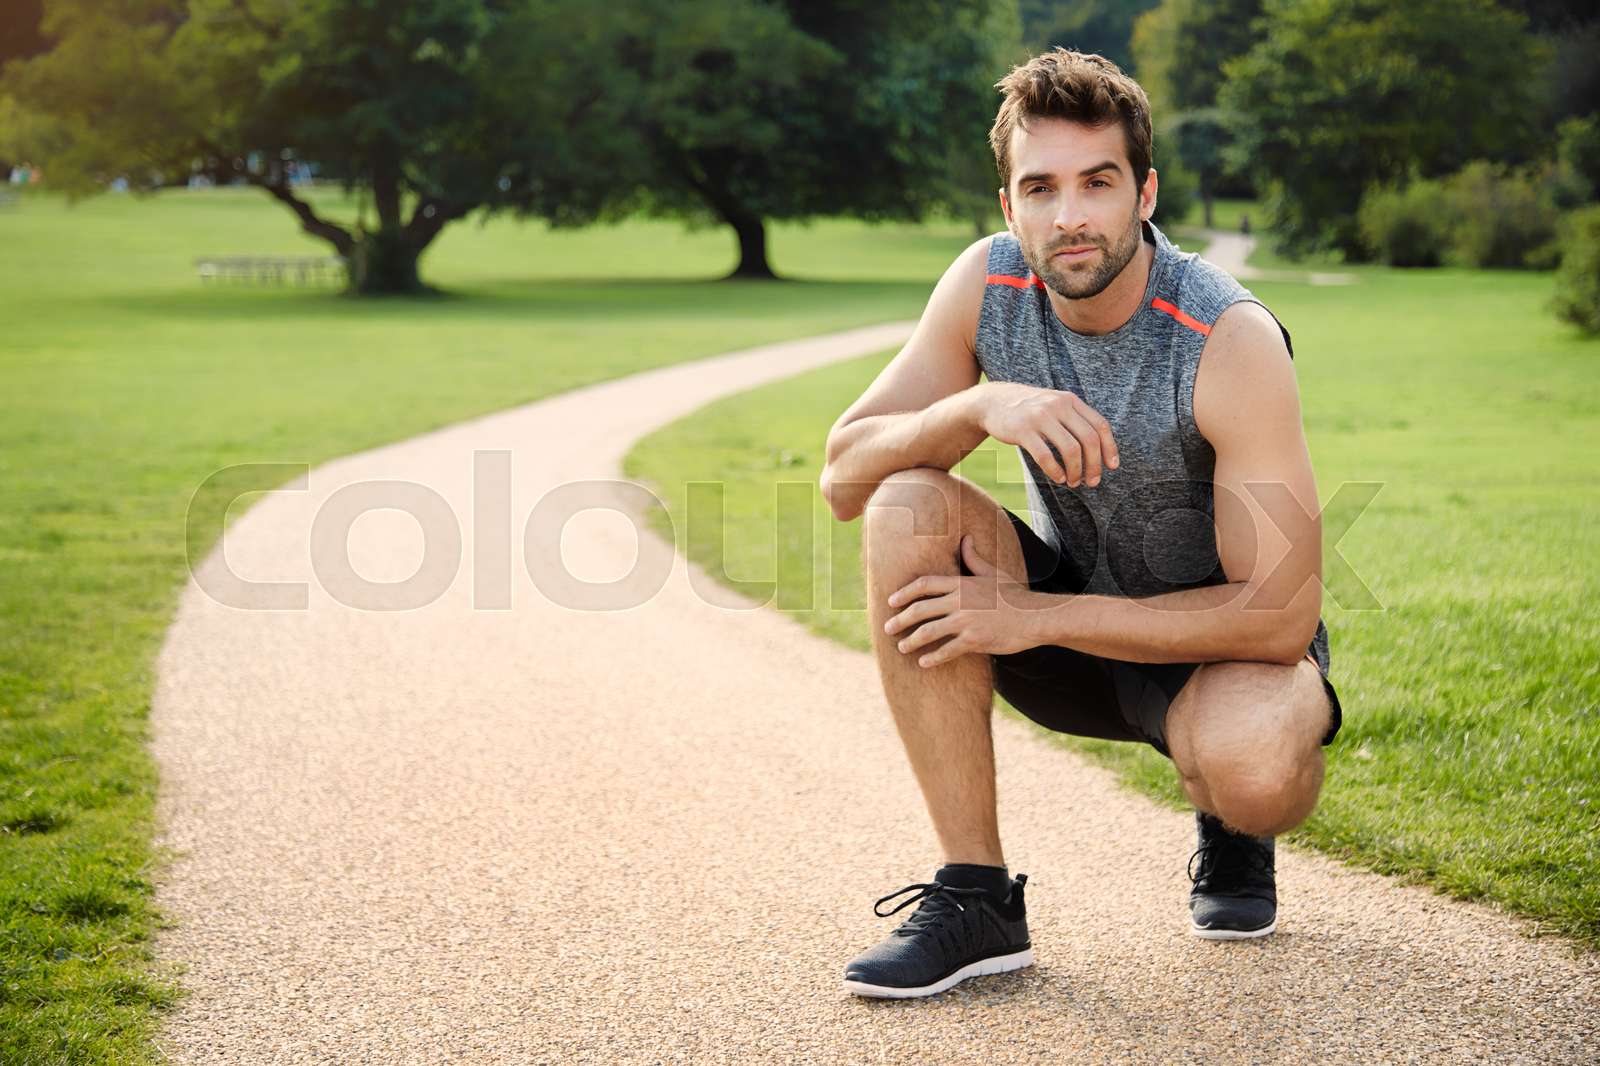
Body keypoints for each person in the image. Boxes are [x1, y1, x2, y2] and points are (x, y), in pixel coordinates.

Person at [820, 47, 1342, 999]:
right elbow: (843, 475)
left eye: (1097, 183)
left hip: (1218, 645)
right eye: (1041, 187)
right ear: (1007, 204)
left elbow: (1276, 614)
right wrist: (975, 410)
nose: (1070, 217)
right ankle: (977, 898)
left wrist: (1032, 620)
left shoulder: (1229, 337)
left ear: (1143, 193)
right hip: (1074, 618)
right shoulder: (989, 283)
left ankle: (1235, 830)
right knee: (906, 498)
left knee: (1252, 770)